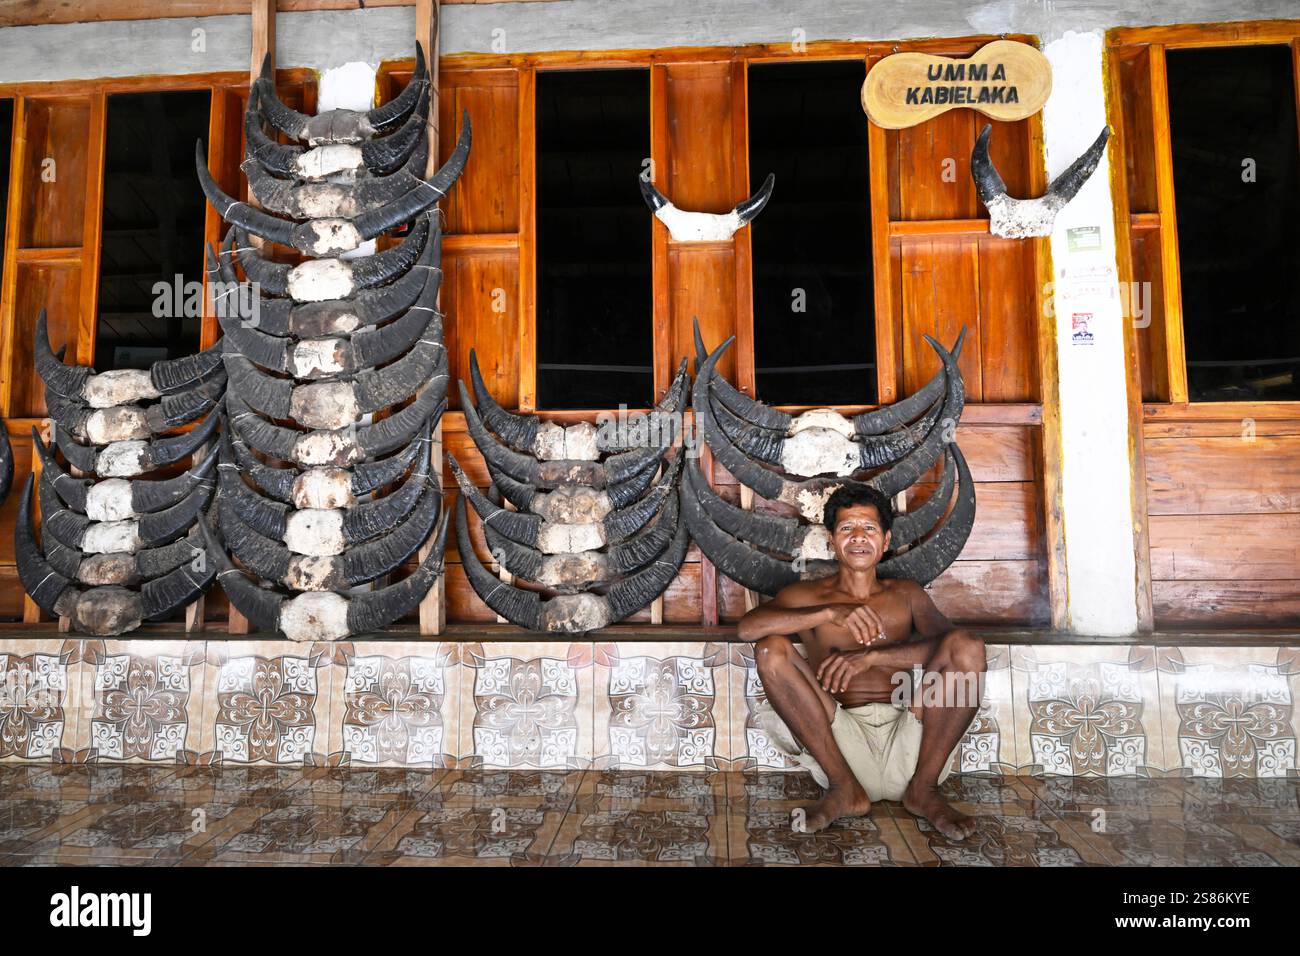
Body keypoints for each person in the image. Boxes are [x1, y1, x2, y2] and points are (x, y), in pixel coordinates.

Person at [737, 483, 986, 838]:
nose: (858, 537)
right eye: (846, 528)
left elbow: (955, 649)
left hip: (912, 742)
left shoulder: (906, 594)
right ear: (831, 540)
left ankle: (925, 791)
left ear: (885, 541)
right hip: (841, 745)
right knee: (770, 649)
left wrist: (870, 658)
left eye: (869, 527)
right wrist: (829, 612)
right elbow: (748, 629)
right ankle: (844, 790)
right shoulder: (806, 596)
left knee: (968, 646)